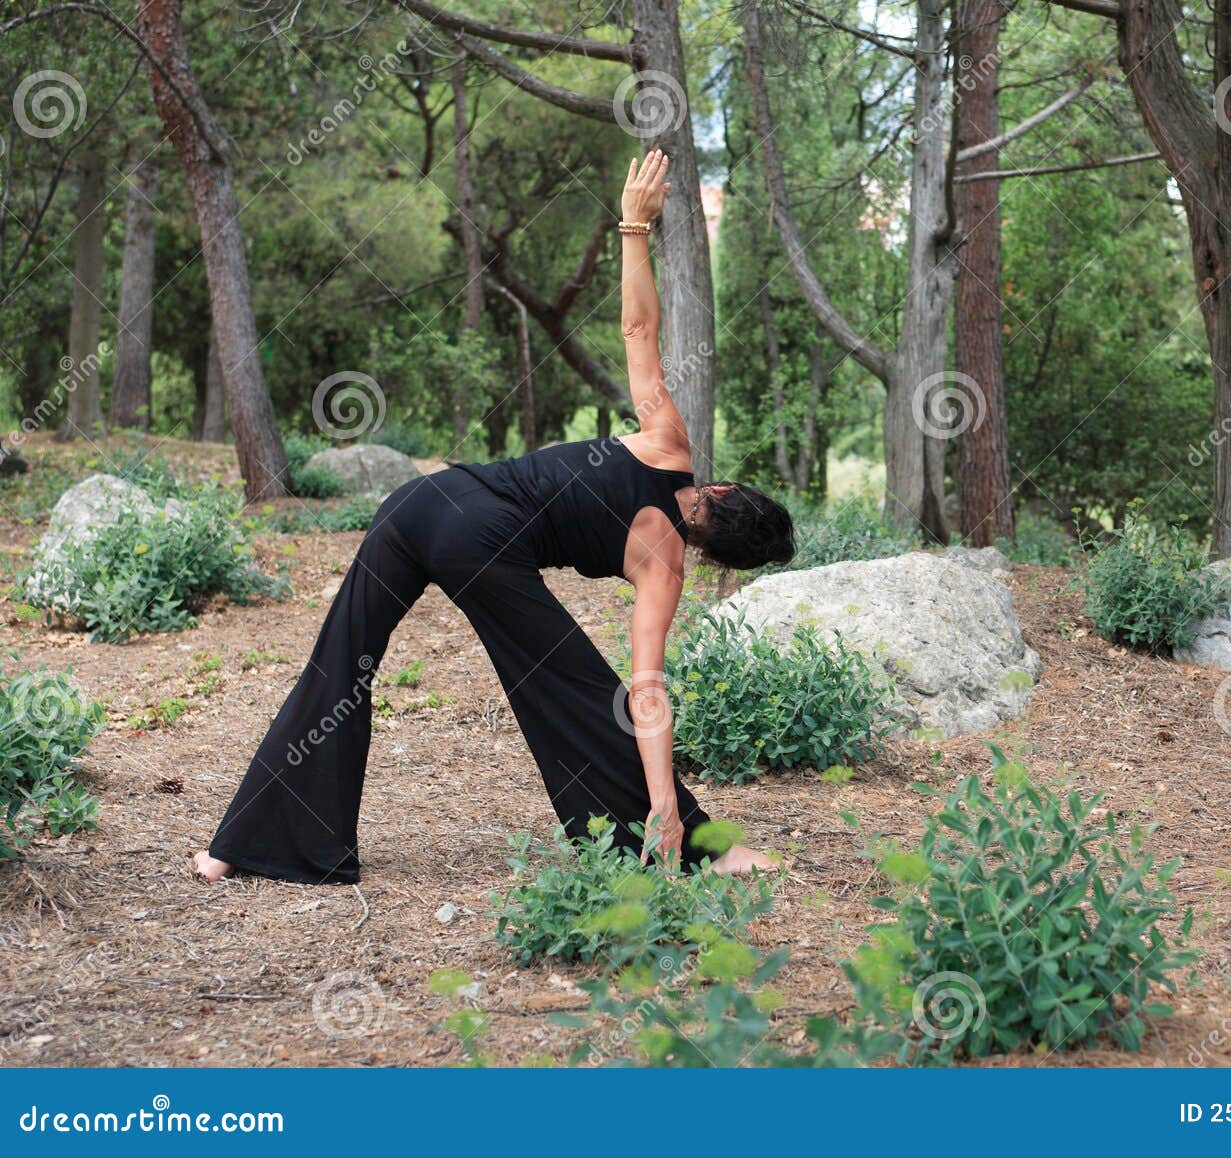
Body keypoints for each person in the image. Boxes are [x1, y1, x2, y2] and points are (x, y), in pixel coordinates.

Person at [193, 150, 791, 885]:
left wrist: (634, 223)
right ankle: (696, 844)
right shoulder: (664, 567)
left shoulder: (668, 443)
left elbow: (638, 331)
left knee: (339, 667)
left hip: (419, 500)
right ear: (719, 552)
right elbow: (647, 693)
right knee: (570, 687)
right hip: (479, 539)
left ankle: (238, 848)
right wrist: (664, 800)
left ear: (727, 493)